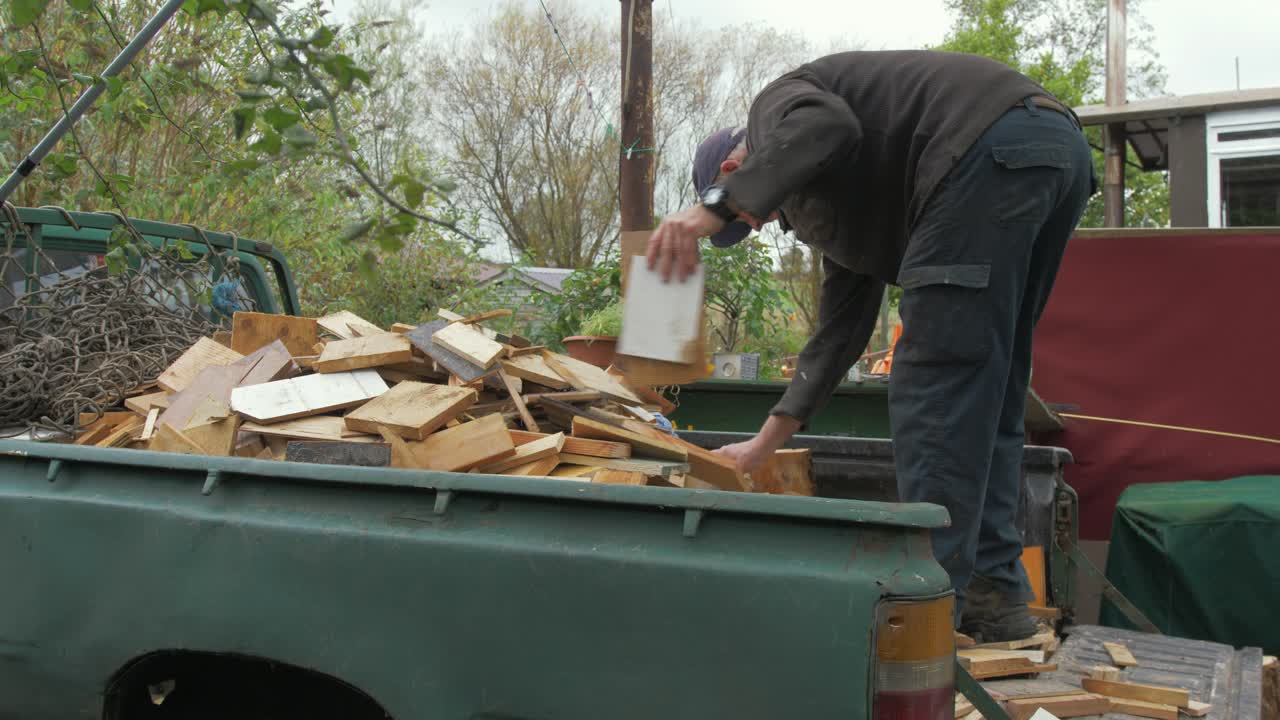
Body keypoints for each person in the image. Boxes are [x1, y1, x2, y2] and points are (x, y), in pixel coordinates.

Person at [645, 49, 1096, 643]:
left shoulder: (779, 107)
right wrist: (763, 444)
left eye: (751, 215)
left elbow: (826, 127)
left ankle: (927, 613)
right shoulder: (847, 189)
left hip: (985, 149)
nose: (759, 223)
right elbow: (840, 334)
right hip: (1050, 152)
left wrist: (714, 207)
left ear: (735, 165)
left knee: (935, 383)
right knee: (991, 383)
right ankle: (996, 594)